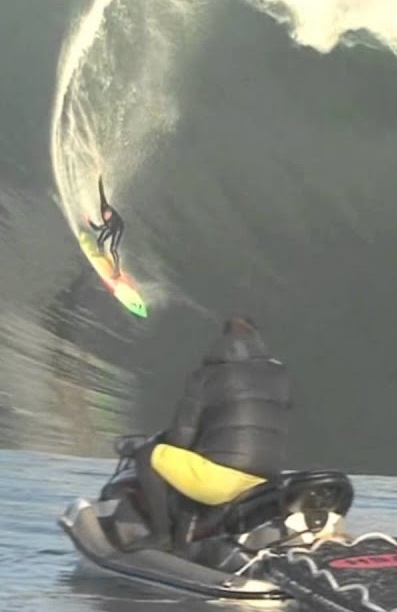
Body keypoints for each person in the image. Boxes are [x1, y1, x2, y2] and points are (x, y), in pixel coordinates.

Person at [126, 316, 293, 551]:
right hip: (267, 481)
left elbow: (181, 439)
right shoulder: (281, 377)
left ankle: (161, 535)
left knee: (147, 456)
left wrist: (158, 441)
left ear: (223, 341)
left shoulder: (206, 376)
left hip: (221, 481)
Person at [87, 174, 124, 279]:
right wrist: (99, 178)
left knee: (113, 248)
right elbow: (101, 192)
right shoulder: (104, 205)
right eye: (104, 215)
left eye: (107, 216)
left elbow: (97, 228)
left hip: (118, 228)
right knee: (100, 241)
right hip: (112, 226)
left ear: (110, 214)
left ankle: (117, 271)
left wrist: (89, 221)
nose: (104, 216)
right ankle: (102, 254)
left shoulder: (109, 222)